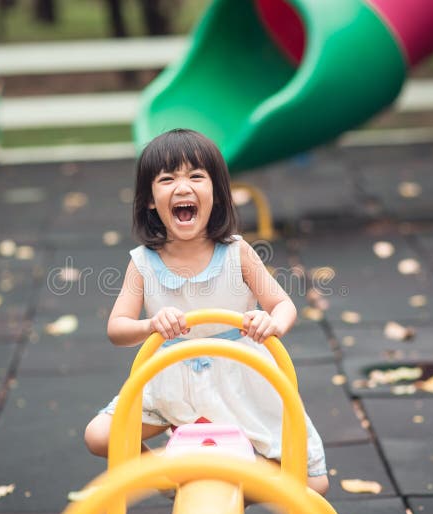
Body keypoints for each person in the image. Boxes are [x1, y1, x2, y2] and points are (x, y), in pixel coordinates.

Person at [83, 128, 328, 495]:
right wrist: (151, 324)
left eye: (196, 176)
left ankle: (239, 480)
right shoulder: (143, 264)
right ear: (151, 200)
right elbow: (117, 328)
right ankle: (169, 479)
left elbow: (283, 304)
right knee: (99, 436)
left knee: (314, 484)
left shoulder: (237, 252)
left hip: (239, 377)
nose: (183, 187)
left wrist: (270, 321)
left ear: (215, 194)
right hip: (172, 380)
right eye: (167, 179)